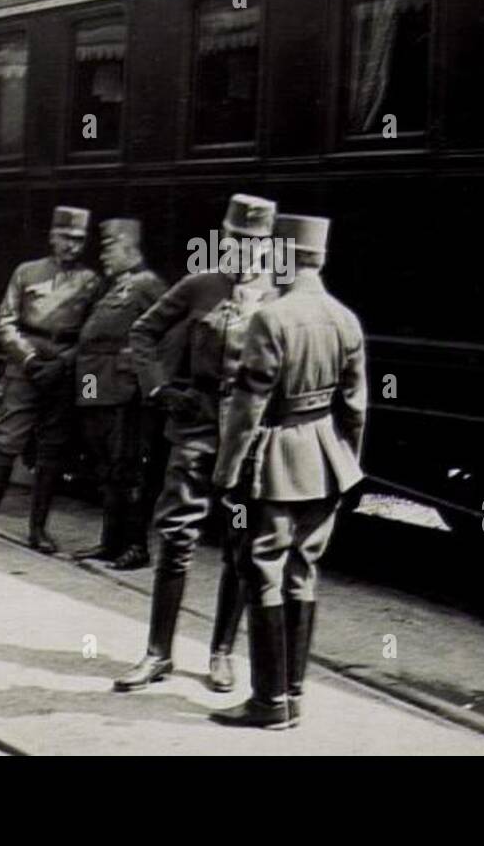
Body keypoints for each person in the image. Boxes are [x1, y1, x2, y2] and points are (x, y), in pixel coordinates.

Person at [114, 194, 278, 695]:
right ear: (222, 239)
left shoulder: (279, 297)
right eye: (234, 240)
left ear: (268, 245)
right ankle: (157, 654)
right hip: (196, 429)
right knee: (177, 537)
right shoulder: (198, 285)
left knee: (239, 544)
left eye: (253, 242)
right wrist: (161, 388)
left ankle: (222, 654)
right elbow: (142, 332)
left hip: (249, 440)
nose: (243, 250)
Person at [209, 214, 367, 730]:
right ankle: (294, 694)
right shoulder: (346, 319)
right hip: (327, 460)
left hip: (277, 459)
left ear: (285, 257)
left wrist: (228, 472)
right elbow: (355, 407)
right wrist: (345, 465)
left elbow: (249, 404)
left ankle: (268, 702)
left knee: (263, 571)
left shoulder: (271, 319)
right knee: (304, 571)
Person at [0, 206, 101, 554]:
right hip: (24, 369)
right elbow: (6, 322)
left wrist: (64, 362)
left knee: (52, 451)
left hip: (63, 372)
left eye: (79, 240)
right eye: (66, 238)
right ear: (52, 236)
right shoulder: (27, 272)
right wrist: (30, 358)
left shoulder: (91, 281)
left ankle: (38, 530)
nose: (72, 246)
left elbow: (91, 334)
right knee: (6, 444)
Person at [72, 219, 167, 570]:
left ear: (129, 247)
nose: (103, 255)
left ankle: (136, 547)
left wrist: (145, 374)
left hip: (125, 392)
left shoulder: (148, 285)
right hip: (98, 387)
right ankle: (110, 544)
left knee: (128, 470)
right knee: (108, 469)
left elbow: (168, 333)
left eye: (109, 248)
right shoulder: (117, 286)